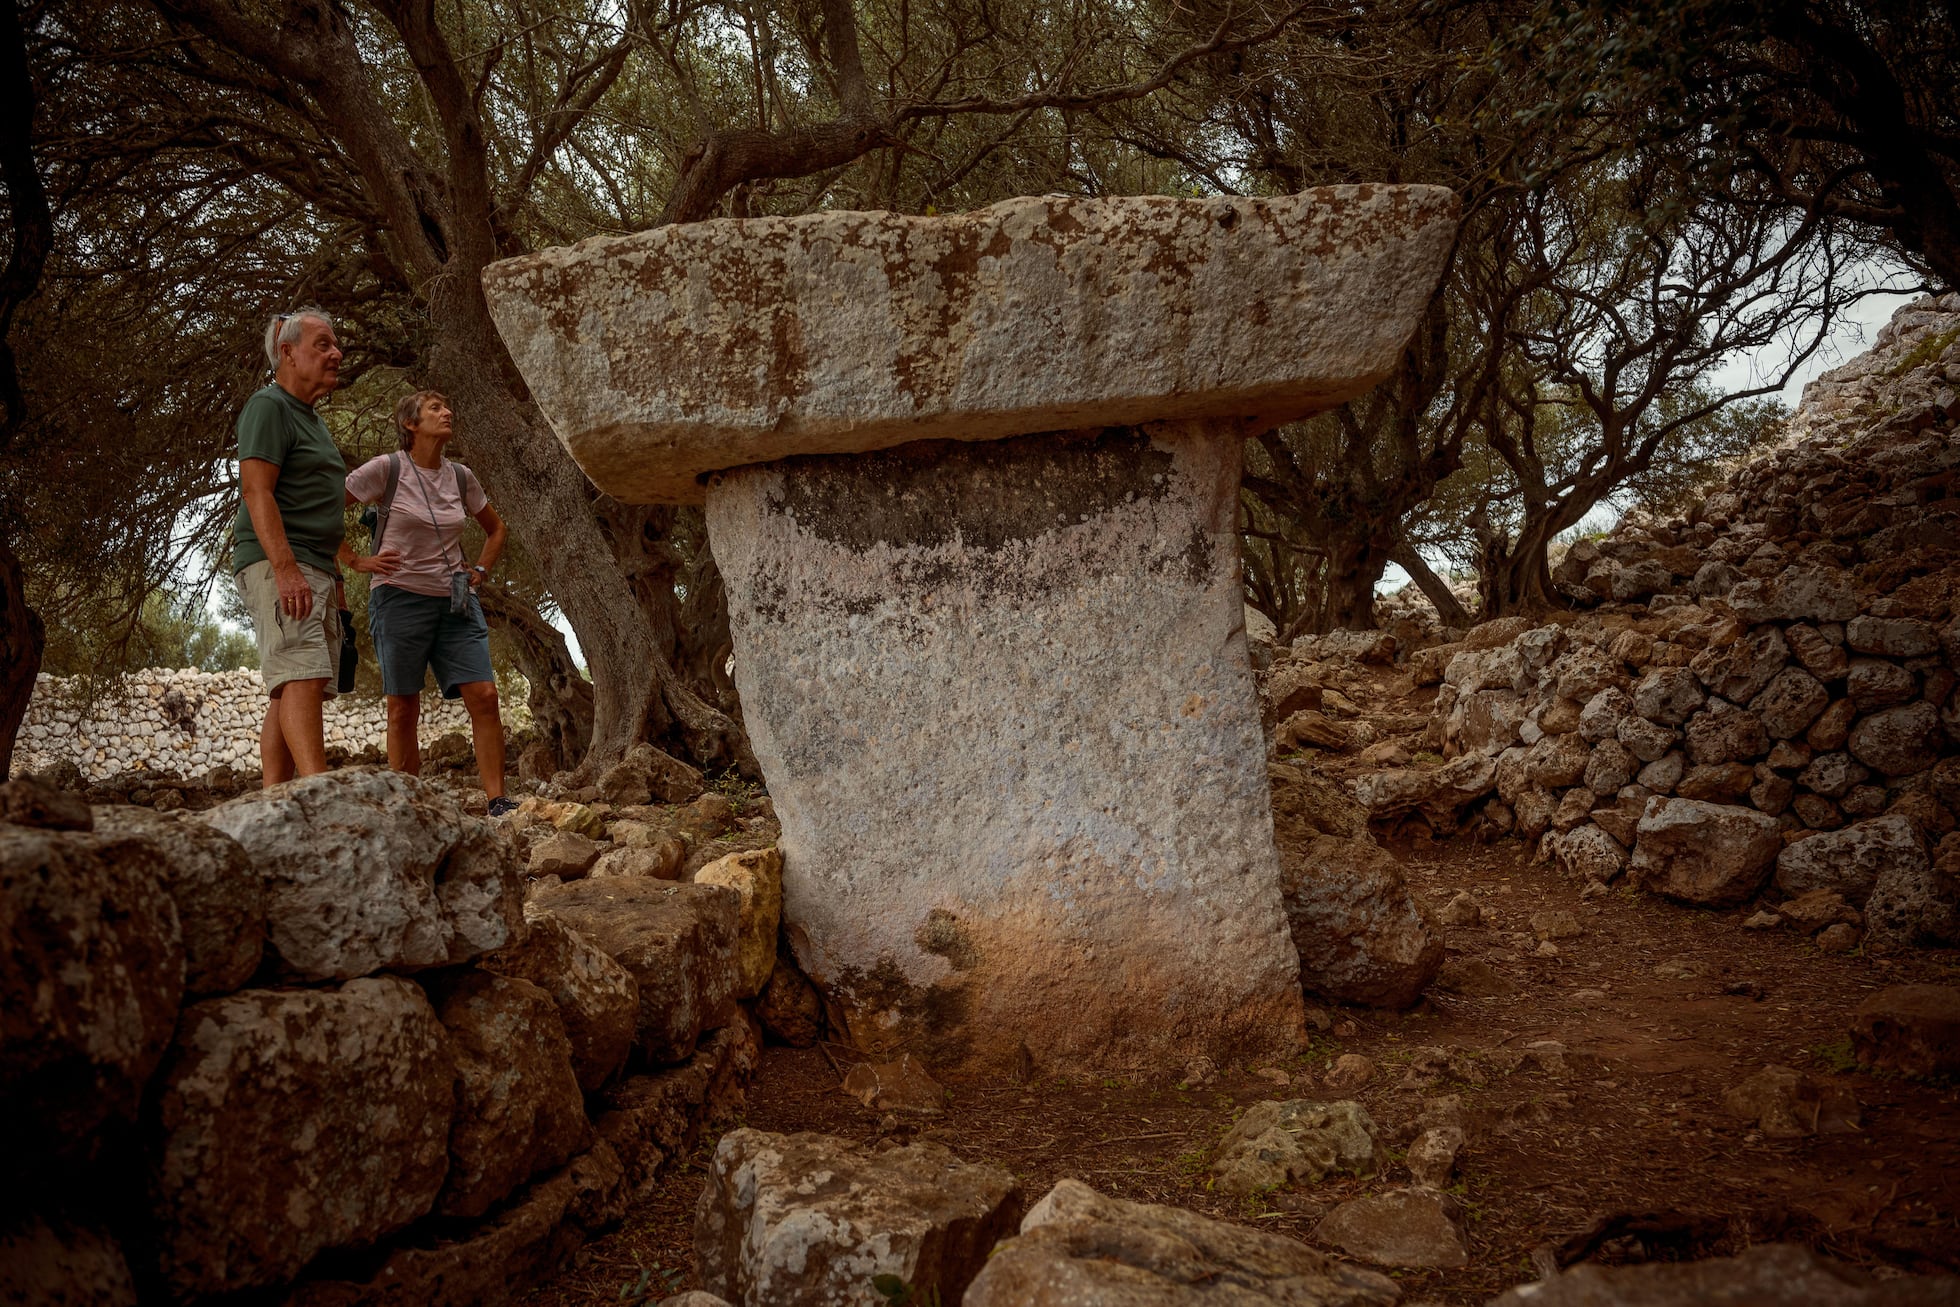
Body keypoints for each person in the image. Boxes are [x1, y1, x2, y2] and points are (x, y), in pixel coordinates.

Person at [342, 391, 516, 815]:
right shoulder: (388, 469)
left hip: (455, 601)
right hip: (397, 598)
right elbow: (326, 506)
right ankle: (407, 805)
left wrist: (482, 571)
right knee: (403, 707)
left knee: (486, 694)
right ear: (410, 424)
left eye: (447, 406)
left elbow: (496, 530)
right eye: (435, 408)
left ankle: (497, 802)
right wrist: (354, 560)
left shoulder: (461, 477)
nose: (447, 412)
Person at [234, 307, 346, 787]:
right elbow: (256, 490)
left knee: (291, 685)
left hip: (313, 564)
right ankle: (316, 793)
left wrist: (334, 577)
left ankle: (274, 802)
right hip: (283, 562)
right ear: (287, 352)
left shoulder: (311, 419)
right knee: (300, 674)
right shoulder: (269, 406)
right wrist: (285, 568)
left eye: (335, 344)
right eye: (322, 345)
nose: (336, 353)